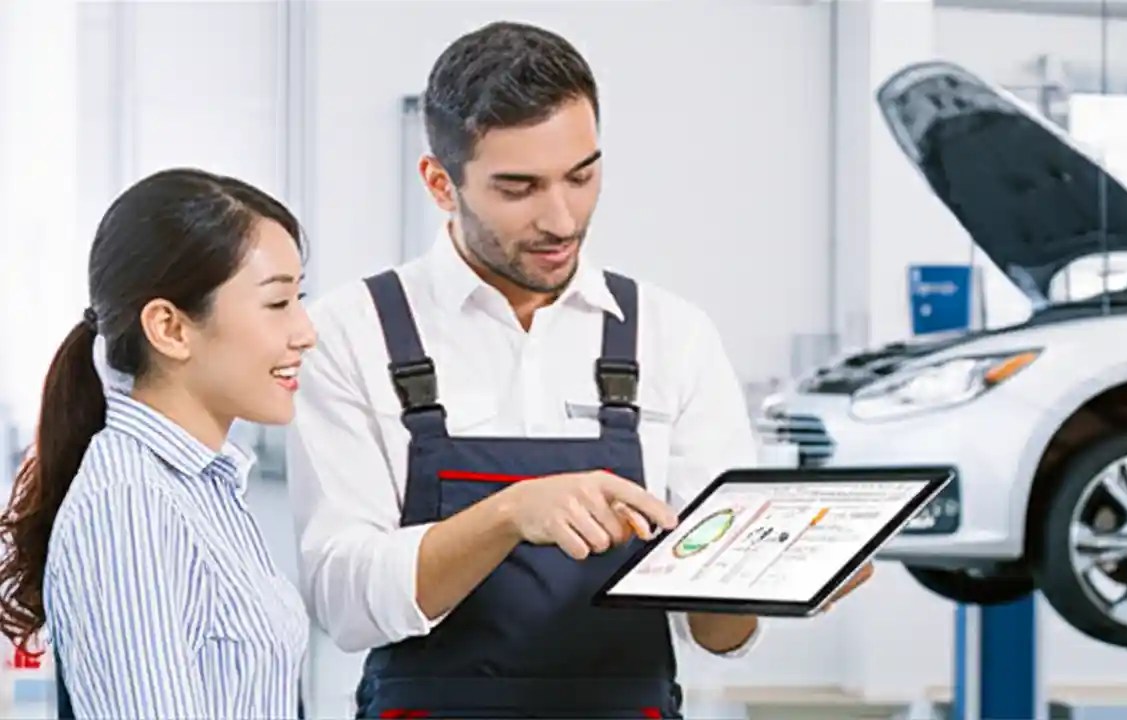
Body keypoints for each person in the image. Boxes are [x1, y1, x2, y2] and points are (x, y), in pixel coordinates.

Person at [285, 20, 872, 719]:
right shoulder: (351, 333)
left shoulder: (671, 335)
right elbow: (344, 602)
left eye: (582, 176)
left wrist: (772, 583)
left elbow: (714, 634)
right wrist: (508, 514)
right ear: (441, 183)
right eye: (519, 188)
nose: (561, 219)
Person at [0, 168, 317, 718]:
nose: (305, 331)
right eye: (276, 304)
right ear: (170, 328)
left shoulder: (203, 489)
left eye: (299, 299)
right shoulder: (129, 507)